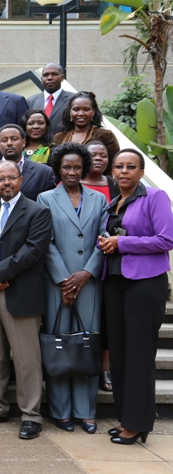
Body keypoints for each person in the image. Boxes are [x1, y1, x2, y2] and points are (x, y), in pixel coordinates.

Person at [0, 159, 52, 440]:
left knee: (27, 359)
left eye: (11, 178)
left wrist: (1, 272)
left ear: (21, 180)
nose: (6, 182)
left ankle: (30, 415)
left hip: (20, 293)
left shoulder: (38, 212)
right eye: (0, 179)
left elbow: (33, 250)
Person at [98, 148, 173, 445]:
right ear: (112, 173)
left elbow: (166, 238)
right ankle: (126, 419)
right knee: (118, 354)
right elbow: (108, 240)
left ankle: (138, 423)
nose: (124, 171)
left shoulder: (154, 197)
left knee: (140, 355)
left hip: (144, 284)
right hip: (114, 283)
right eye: (119, 167)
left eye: (131, 166)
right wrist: (104, 243)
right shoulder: (113, 203)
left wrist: (122, 242)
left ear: (141, 172)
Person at [37, 143, 107, 434]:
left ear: (84, 168)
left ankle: (86, 411)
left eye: (77, 167)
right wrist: (65, 280)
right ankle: (61, 411)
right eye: (66, 167)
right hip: (57, 285)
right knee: (59, 345)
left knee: (85, 345)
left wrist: (86, 272)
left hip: (88, 284)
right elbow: (45, 242)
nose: (72, 172)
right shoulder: (45, 198)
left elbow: (104, 239)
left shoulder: (99, 199)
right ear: (58, 168)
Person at [82, 139, 119, 392]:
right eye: (92, 155)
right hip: (82, 261)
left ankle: (105, 369)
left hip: (113, 259)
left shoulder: (116, 185)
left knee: (106, 319)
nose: (98, 159)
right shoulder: (72, 183)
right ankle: (82, 366)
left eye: (103, 155)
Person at [0, 124, 55, 204]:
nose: (9, 143)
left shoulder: (44, 173)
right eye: (4, 140)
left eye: (14, 139)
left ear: (23, 142)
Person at [52, 91, 119, 174]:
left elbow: (115, 166)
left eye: (86, 109)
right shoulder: (59, 137)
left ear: (93, 112)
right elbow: (54, 165)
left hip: (97, 185)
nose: (81, 113)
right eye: (76, 109)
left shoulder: (106, 136)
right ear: (70, 112)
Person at [26, 63, 74, 136]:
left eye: (54, 74)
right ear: (41, 79)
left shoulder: (73, 99)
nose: (49, 78)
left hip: (63, 144)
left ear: (62, 77)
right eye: (46, 75)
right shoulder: (31, 101)